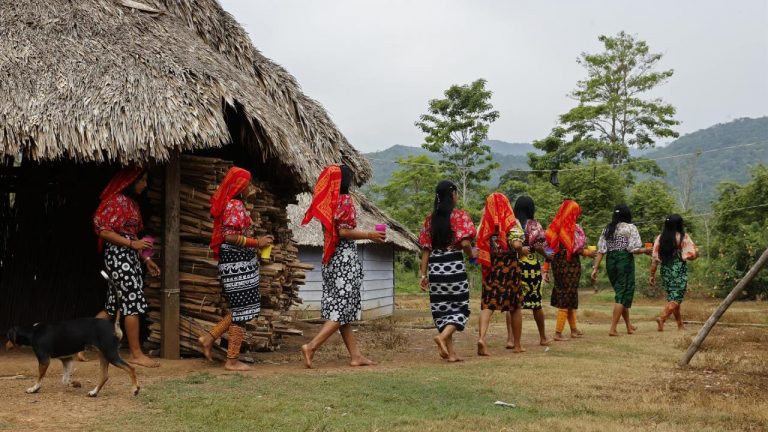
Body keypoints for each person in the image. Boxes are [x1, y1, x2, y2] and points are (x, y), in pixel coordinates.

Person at [300, 165, 385, 369]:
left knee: (341, 308)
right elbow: (344, 232)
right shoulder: (344, 200)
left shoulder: (327, 201)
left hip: (330, 259)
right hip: (344, 261)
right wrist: (370, 235)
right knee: (343, 307)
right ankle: (311, 346)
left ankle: (356, 356)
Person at [198, 166, 274, 371]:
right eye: (248, 183)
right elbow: (230, 237)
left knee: (243, 307)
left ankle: (208, 338)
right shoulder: (234, 205)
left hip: (238, 261)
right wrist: (257, 243)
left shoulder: (233, 204)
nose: (251, 187)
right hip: (236, 263)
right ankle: (231, 360)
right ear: (240, 185)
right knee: (242, 309)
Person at [93, 167, 161, 368]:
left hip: (129, 258)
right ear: (132, 181)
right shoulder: (116, 201)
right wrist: (132, 244)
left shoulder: (131, 204)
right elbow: (104, 231)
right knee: (132, 301)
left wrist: (146, 260)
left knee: (112, 307)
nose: (145, 185)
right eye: (143, 180)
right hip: (118, 257)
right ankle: (135, 354)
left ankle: (79, 343)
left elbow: (134, 238)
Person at [418, 181, 477, 362]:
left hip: (435, 268)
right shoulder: (458, 216)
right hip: (453, 266)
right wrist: (471, 254)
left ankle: (451, 354)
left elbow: (426, 250)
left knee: (443, 310)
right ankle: (442, 337)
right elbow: (465, 243)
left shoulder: (430, 219)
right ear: (452, 194)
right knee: (461, 308)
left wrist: (423, 275)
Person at [476, 192, 525, 355]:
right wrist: (522, 251)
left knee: (487, 305)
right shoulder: (512, 222)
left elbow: (479, 242)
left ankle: (482, 338)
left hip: (491, 267)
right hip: (509, 268)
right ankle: (517, 344)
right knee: (515, 306)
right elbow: (517, 244)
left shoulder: (484, 224)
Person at [591, 204, 650, 337]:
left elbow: (601, 250)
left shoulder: (608, 228)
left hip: (611, 261)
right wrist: (646, 250)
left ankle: (628, 326)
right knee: (622, 294)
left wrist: (595, 268)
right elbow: (633, 249)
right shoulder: (630, 228)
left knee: (620, 293)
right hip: (624, 261)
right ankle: (613, 329)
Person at [545, 199, 587, 341]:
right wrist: (588, 253)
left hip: (557, 266)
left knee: (570, 295)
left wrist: (546, 269)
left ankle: (574, 329)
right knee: (567, 296)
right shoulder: (573, 230)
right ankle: (558, 332)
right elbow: (578, 250)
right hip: (570, 266)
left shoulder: (553, 227)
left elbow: (548, 249)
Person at [650, 214, 699, 331]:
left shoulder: (660, 238)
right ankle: (662, 318)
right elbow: (691, 256)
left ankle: (680, 325)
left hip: (665, 271)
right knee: (676, 298)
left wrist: (652, 275)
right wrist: (697, 252)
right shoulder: (683, 237)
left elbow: (655, 258)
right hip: (678, 270)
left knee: (673, 297)